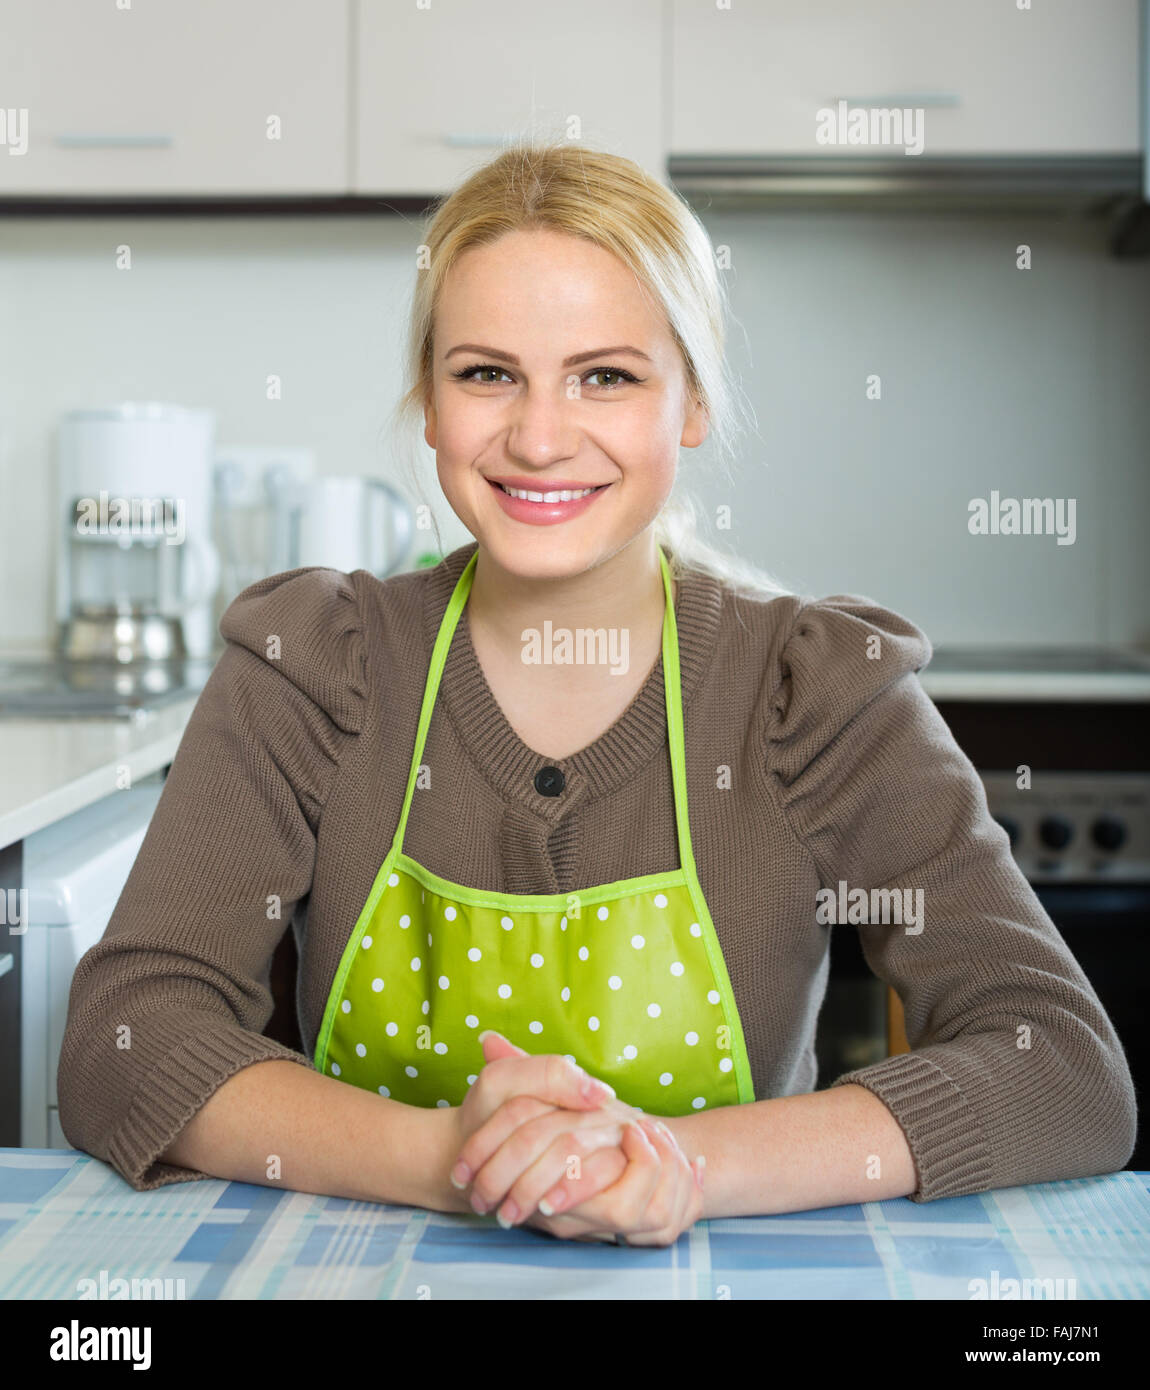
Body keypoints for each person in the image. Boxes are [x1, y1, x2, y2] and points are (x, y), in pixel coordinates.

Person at [58, 140, 1136, 1249]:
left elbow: (1058, 1065)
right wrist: (454, 1160)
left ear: (691, 403)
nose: (536, 435)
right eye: (486, 373)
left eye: (605, 376)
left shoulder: (812, 693)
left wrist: (677, 1171)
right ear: (428, 401)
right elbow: (126, 1035)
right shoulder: (314, 666)